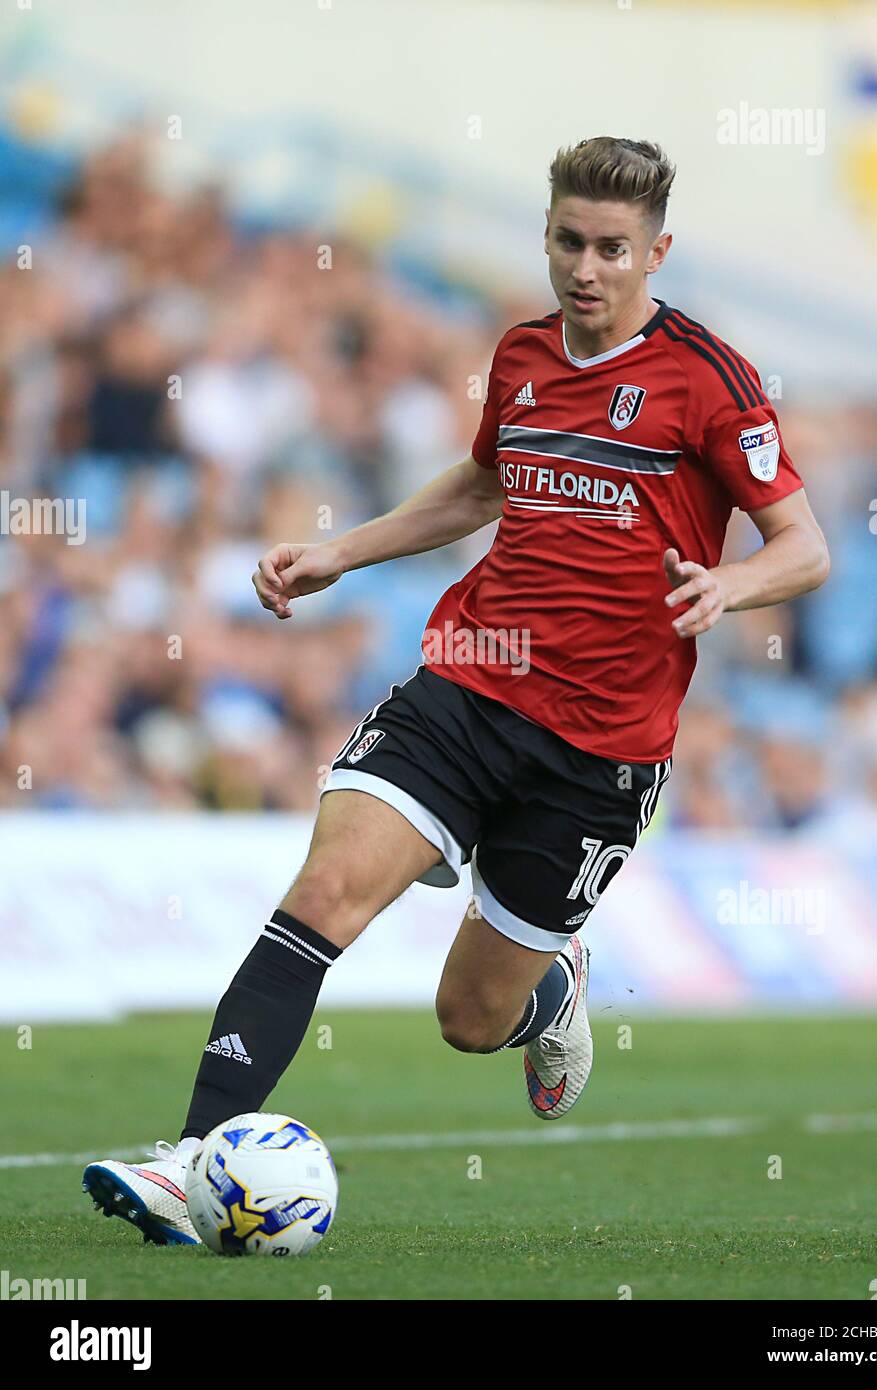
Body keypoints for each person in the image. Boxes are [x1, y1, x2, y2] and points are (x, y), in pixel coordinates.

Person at [84, 137, 829, 1245]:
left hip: (600, 753)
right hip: (469, 685)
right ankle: (191, 1157)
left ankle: (547, 994)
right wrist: (344, 551)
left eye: (612, 248)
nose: (586, 266)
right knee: (327, 887)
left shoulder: (706, 380)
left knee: (468, 1019)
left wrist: (729, 583)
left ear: (655, 251)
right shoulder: (523, 354)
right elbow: (483, 483)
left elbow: (803, 546)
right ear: (545, 237)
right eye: (568, 241)